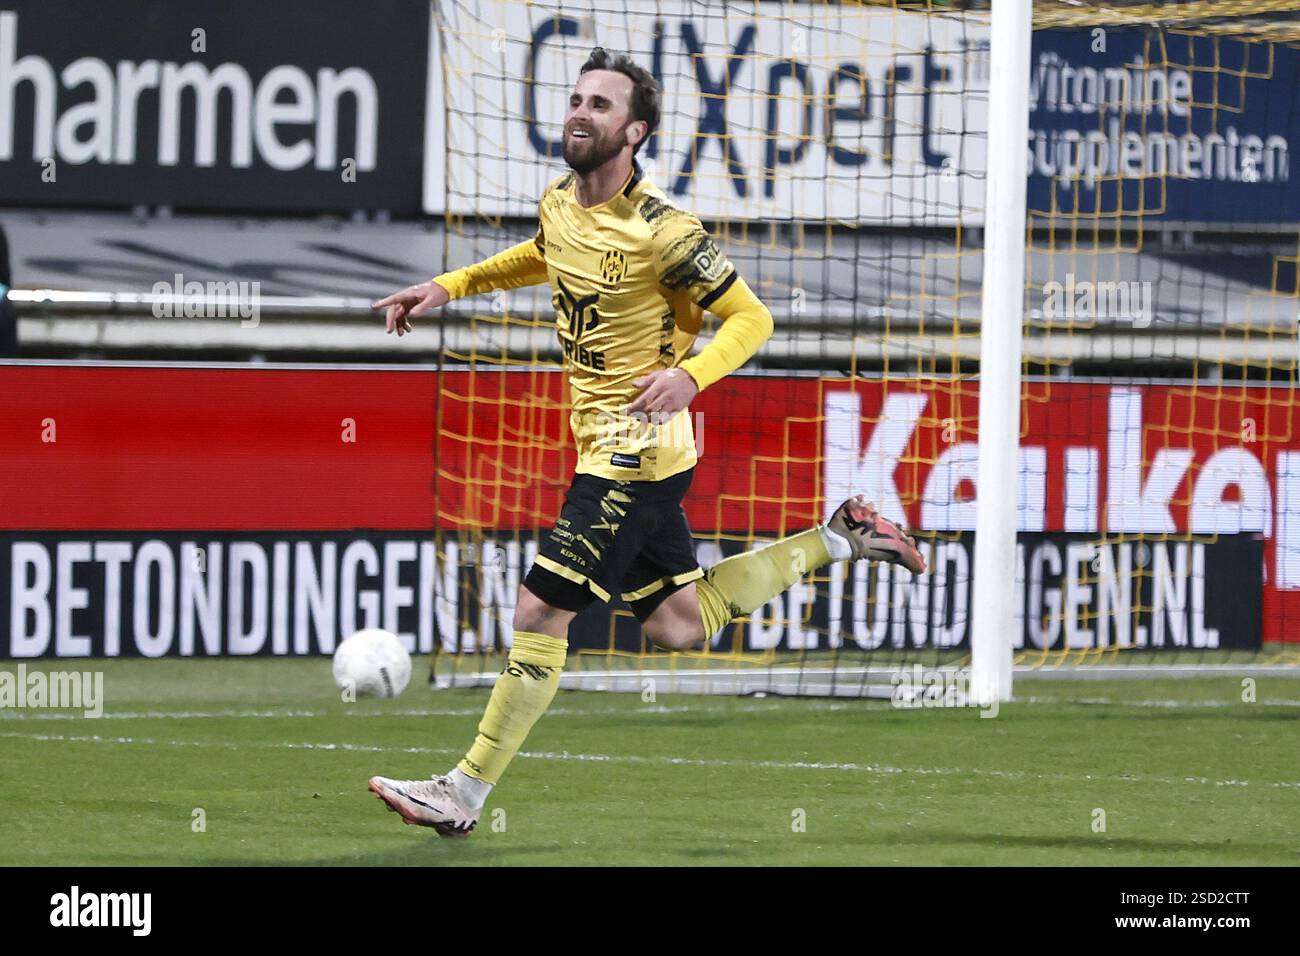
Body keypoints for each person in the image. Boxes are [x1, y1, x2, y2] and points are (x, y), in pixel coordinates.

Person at [367, 48, 926, 837]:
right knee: (677, 623)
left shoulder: (665, 231)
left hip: (636, 453)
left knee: (540, 610)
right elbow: (543, 254)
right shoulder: (559, 201)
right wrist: (448, 286)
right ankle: (839, 537)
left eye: (600, 105)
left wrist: (691, 377)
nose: (579, 112)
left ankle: (463, 793)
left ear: (635, 132)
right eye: (577, 98)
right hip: (609, 447)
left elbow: (753, 317)